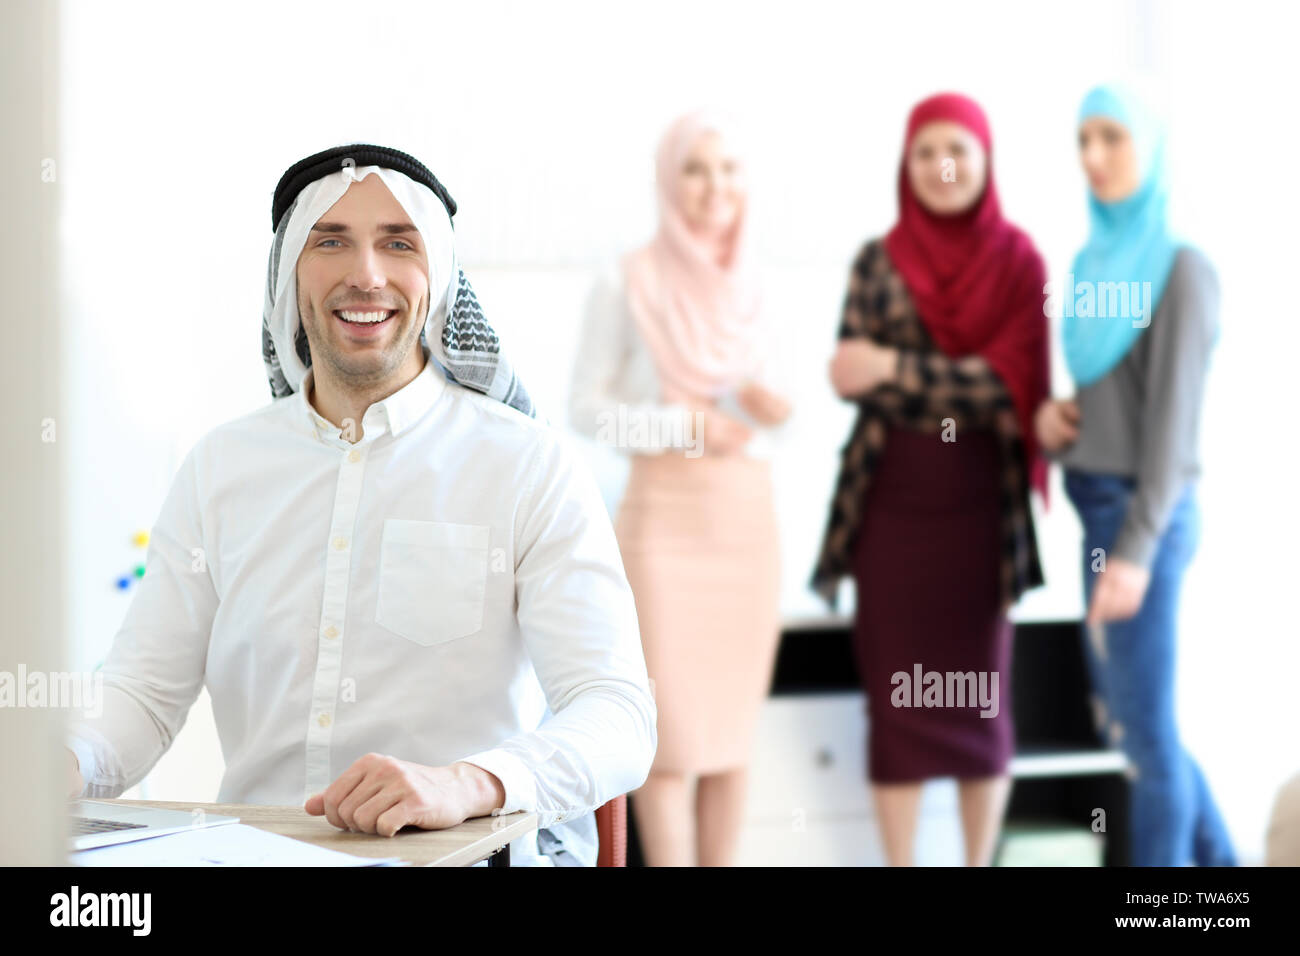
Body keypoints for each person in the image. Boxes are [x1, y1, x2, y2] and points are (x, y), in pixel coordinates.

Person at [65, 143, 656, 867]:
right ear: (290, 274)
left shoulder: (529, 467)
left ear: (436, 275)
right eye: (332, 241)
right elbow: (144, 694)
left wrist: (469, 784)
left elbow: (619, 715)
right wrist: (64, 767)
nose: (365, 274)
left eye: (397, 243)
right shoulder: (219, 468)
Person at [811, 93, 1050, 866]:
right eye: (926, 152)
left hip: (983, 521)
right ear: (905, 165)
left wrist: (897, 370)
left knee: (982, 704)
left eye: (959, 150)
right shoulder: (878, 261)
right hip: (890, 519)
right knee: (900, 708)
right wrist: (936, 379)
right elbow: (851, 377)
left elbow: (1007, 388)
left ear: (986, 161)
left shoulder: (1019, 262)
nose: (943, 167)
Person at [569, 110, 791, 866]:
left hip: (746, 525)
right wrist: (681, 427)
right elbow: (585, 411)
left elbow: (793, 420)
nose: (714, 187)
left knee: (730, 742)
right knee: (668, 743)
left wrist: (778, 413)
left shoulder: (762, 285)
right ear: (669, 179)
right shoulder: (624, 278)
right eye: (696, 169)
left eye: (729, 169)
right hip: (662, 527)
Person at [1035, 84, 1236, 866]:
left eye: (1111, 138)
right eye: (1083, 139)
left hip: (1142, 515)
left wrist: (1137, 550)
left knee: (1146, 739)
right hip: (1097, 511)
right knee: (1136, 727)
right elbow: (1104, 410)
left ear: (1149, 148)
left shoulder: (1183, 271)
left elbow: (1171, 428)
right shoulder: (1090, 262)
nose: (1092, 157)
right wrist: (1053, 426)